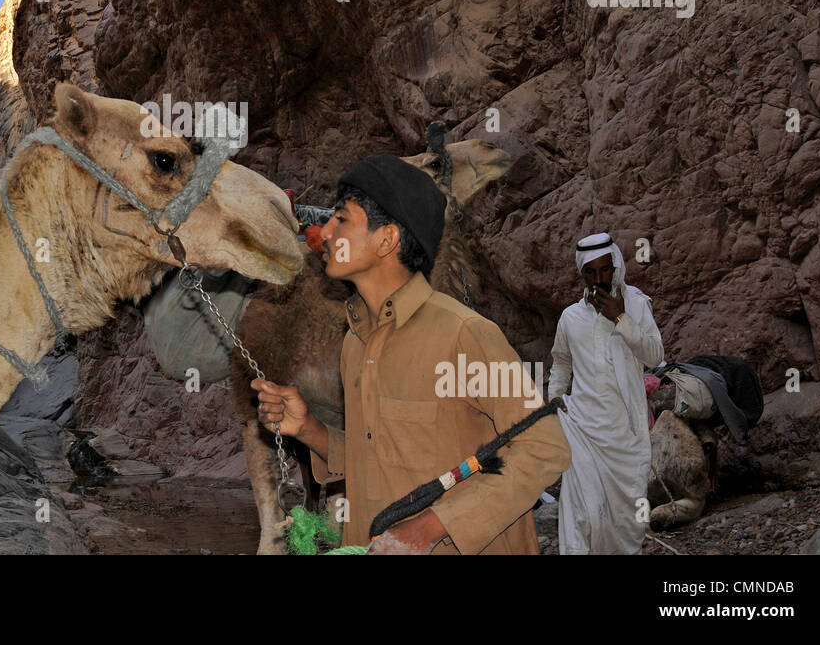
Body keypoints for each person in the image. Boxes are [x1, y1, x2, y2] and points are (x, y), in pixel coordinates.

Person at [253, 154, 570, 554]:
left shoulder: (466, 334)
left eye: (342, 219)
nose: (325, 232)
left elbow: (546, 447)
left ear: (387, 239)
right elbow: (378, 457)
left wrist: (432, 526)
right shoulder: (356, 343)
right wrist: (310, 430)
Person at [548, 232, 664, 554]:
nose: (598, 279)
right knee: (584, 516)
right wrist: (555, 396)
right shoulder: (570, 318)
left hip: (626, 433)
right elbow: (561, 363)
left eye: (605, 270)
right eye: (590, 272)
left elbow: (655, 355)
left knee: (627, 524)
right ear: (581, 273)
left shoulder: (637, 304)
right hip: (583, 429)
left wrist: (621, 318)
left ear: (616, 267)